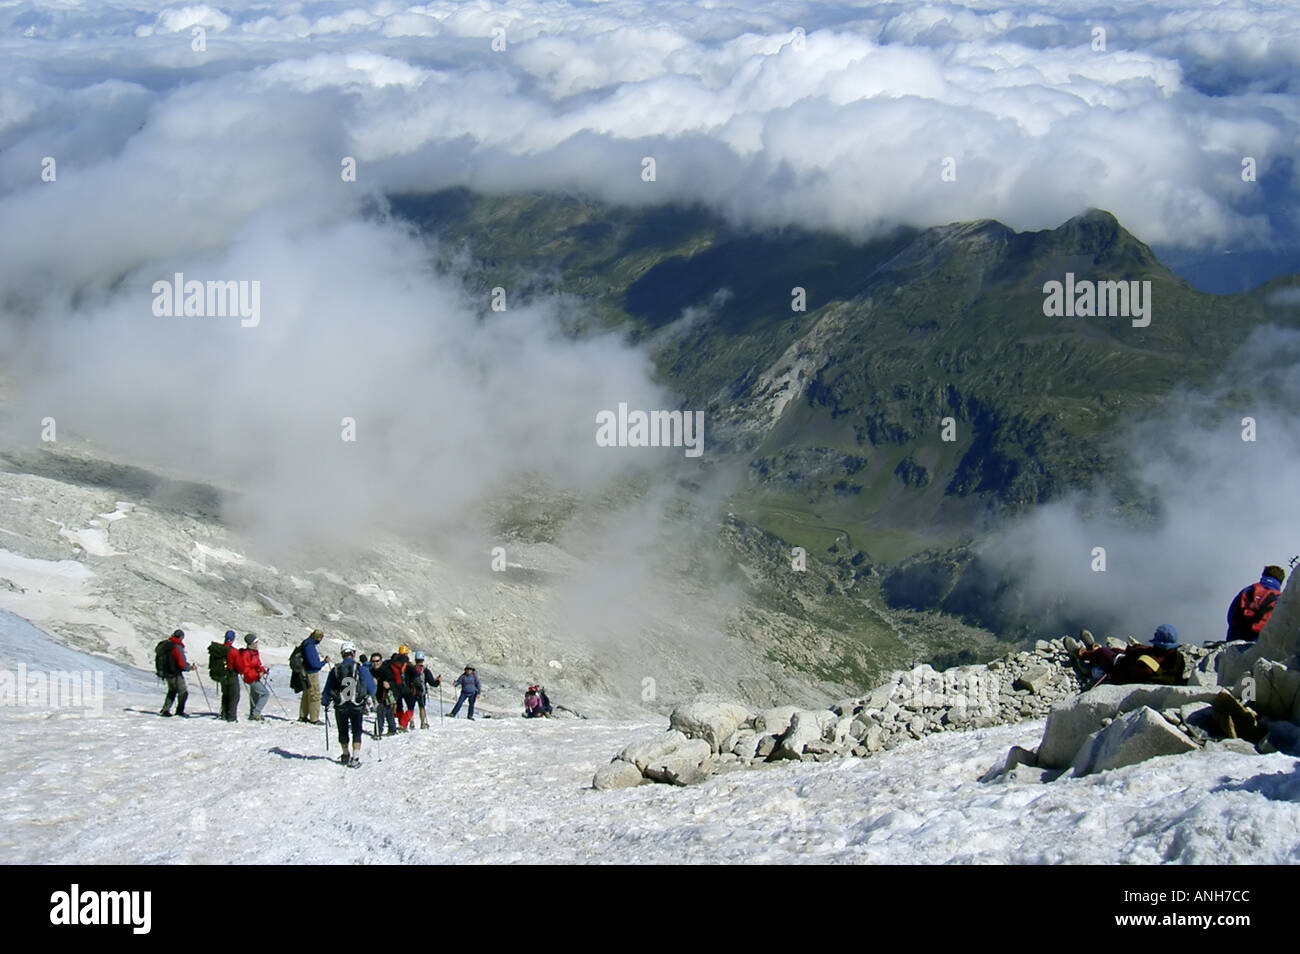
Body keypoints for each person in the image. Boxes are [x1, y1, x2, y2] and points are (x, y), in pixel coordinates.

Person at [322, 641, 376, 766]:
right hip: (357, 705)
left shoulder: (335, 670)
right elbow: (372, 689)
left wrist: (325, 702)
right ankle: (355, 757)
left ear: (342, 654)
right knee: (357, 730)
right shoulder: (360, 669)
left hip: (340, 705)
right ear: (354, 653)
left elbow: (328, 689)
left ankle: (345, 754)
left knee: (343, 730)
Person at [1079, 624, 1186, 686]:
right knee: (1116, 650)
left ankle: (1083, 654)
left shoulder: (1145, 665)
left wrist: (1127, 656)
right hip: (1148, 673)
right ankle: (1095, 649)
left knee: (1103, 654)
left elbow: (1124, 675)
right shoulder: (1178, 658)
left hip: (1119, 671)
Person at [1226, 565, 1286, 642]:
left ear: (1263, 575)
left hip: (1235, 636)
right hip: (1259, 642)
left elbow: (1231, 614)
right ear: (1280, 581)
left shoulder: (1249, 589)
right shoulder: (1280, 598)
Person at [159, 629, 196, 717]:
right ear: (181, 637)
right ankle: (179, 711)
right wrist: (190, 667)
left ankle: (165, 710)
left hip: (166, 672)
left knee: (172, 691)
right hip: (175, 673)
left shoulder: (167, 645)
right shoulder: (177, 647)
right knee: (183, 692)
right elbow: (181, 664)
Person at [297, 629, 330, 725]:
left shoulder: (306, 643)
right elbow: (314, 664)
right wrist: (323, 662)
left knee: (306, 694)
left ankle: (303, 715)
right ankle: (314, 718)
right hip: (311, 674)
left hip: (305, 673)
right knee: (315, 695)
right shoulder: (310, 646)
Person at [209, 630, 242, 722]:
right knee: (234, 696)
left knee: (225, 695)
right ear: (233, 639)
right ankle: (231, 717)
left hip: (222, 676)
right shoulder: (233, 651)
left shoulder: (218, 649)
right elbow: (239, 666)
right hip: (232, 676)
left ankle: (224, 713)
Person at [242, 634, 270, 721]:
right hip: (251, 678)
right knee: (265, 694)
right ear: (251, 643)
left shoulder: (255, 652)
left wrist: (263, 671)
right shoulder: (246, 654)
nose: (257, 644)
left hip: (255, 676)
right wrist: (257, 674)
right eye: (255, 642)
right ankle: (256, 713)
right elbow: (246, 670)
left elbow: (258, 664)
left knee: (255, 695)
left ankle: (252, 713)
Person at [368, 652, 397, 736]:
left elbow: (395, 682)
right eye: (373, 661)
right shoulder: (371, 671)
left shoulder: (386, 670)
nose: (375, 663)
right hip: (378, 695)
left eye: (377, 661)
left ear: (381, 661)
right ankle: (392, 729)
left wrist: (389, 685)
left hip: (387, 695)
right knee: (387, 712)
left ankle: (378, 733)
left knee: (381, 713)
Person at [412, 651, 441, 729]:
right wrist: (438, 681)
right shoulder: (425, 671)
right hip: (421, 692)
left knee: (410, 708)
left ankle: (411, 722)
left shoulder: (411, 669)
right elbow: (432, 683)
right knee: (422, 707)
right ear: (423, 659)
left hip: (412, 692)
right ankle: (422, 723)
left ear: (415, 659)